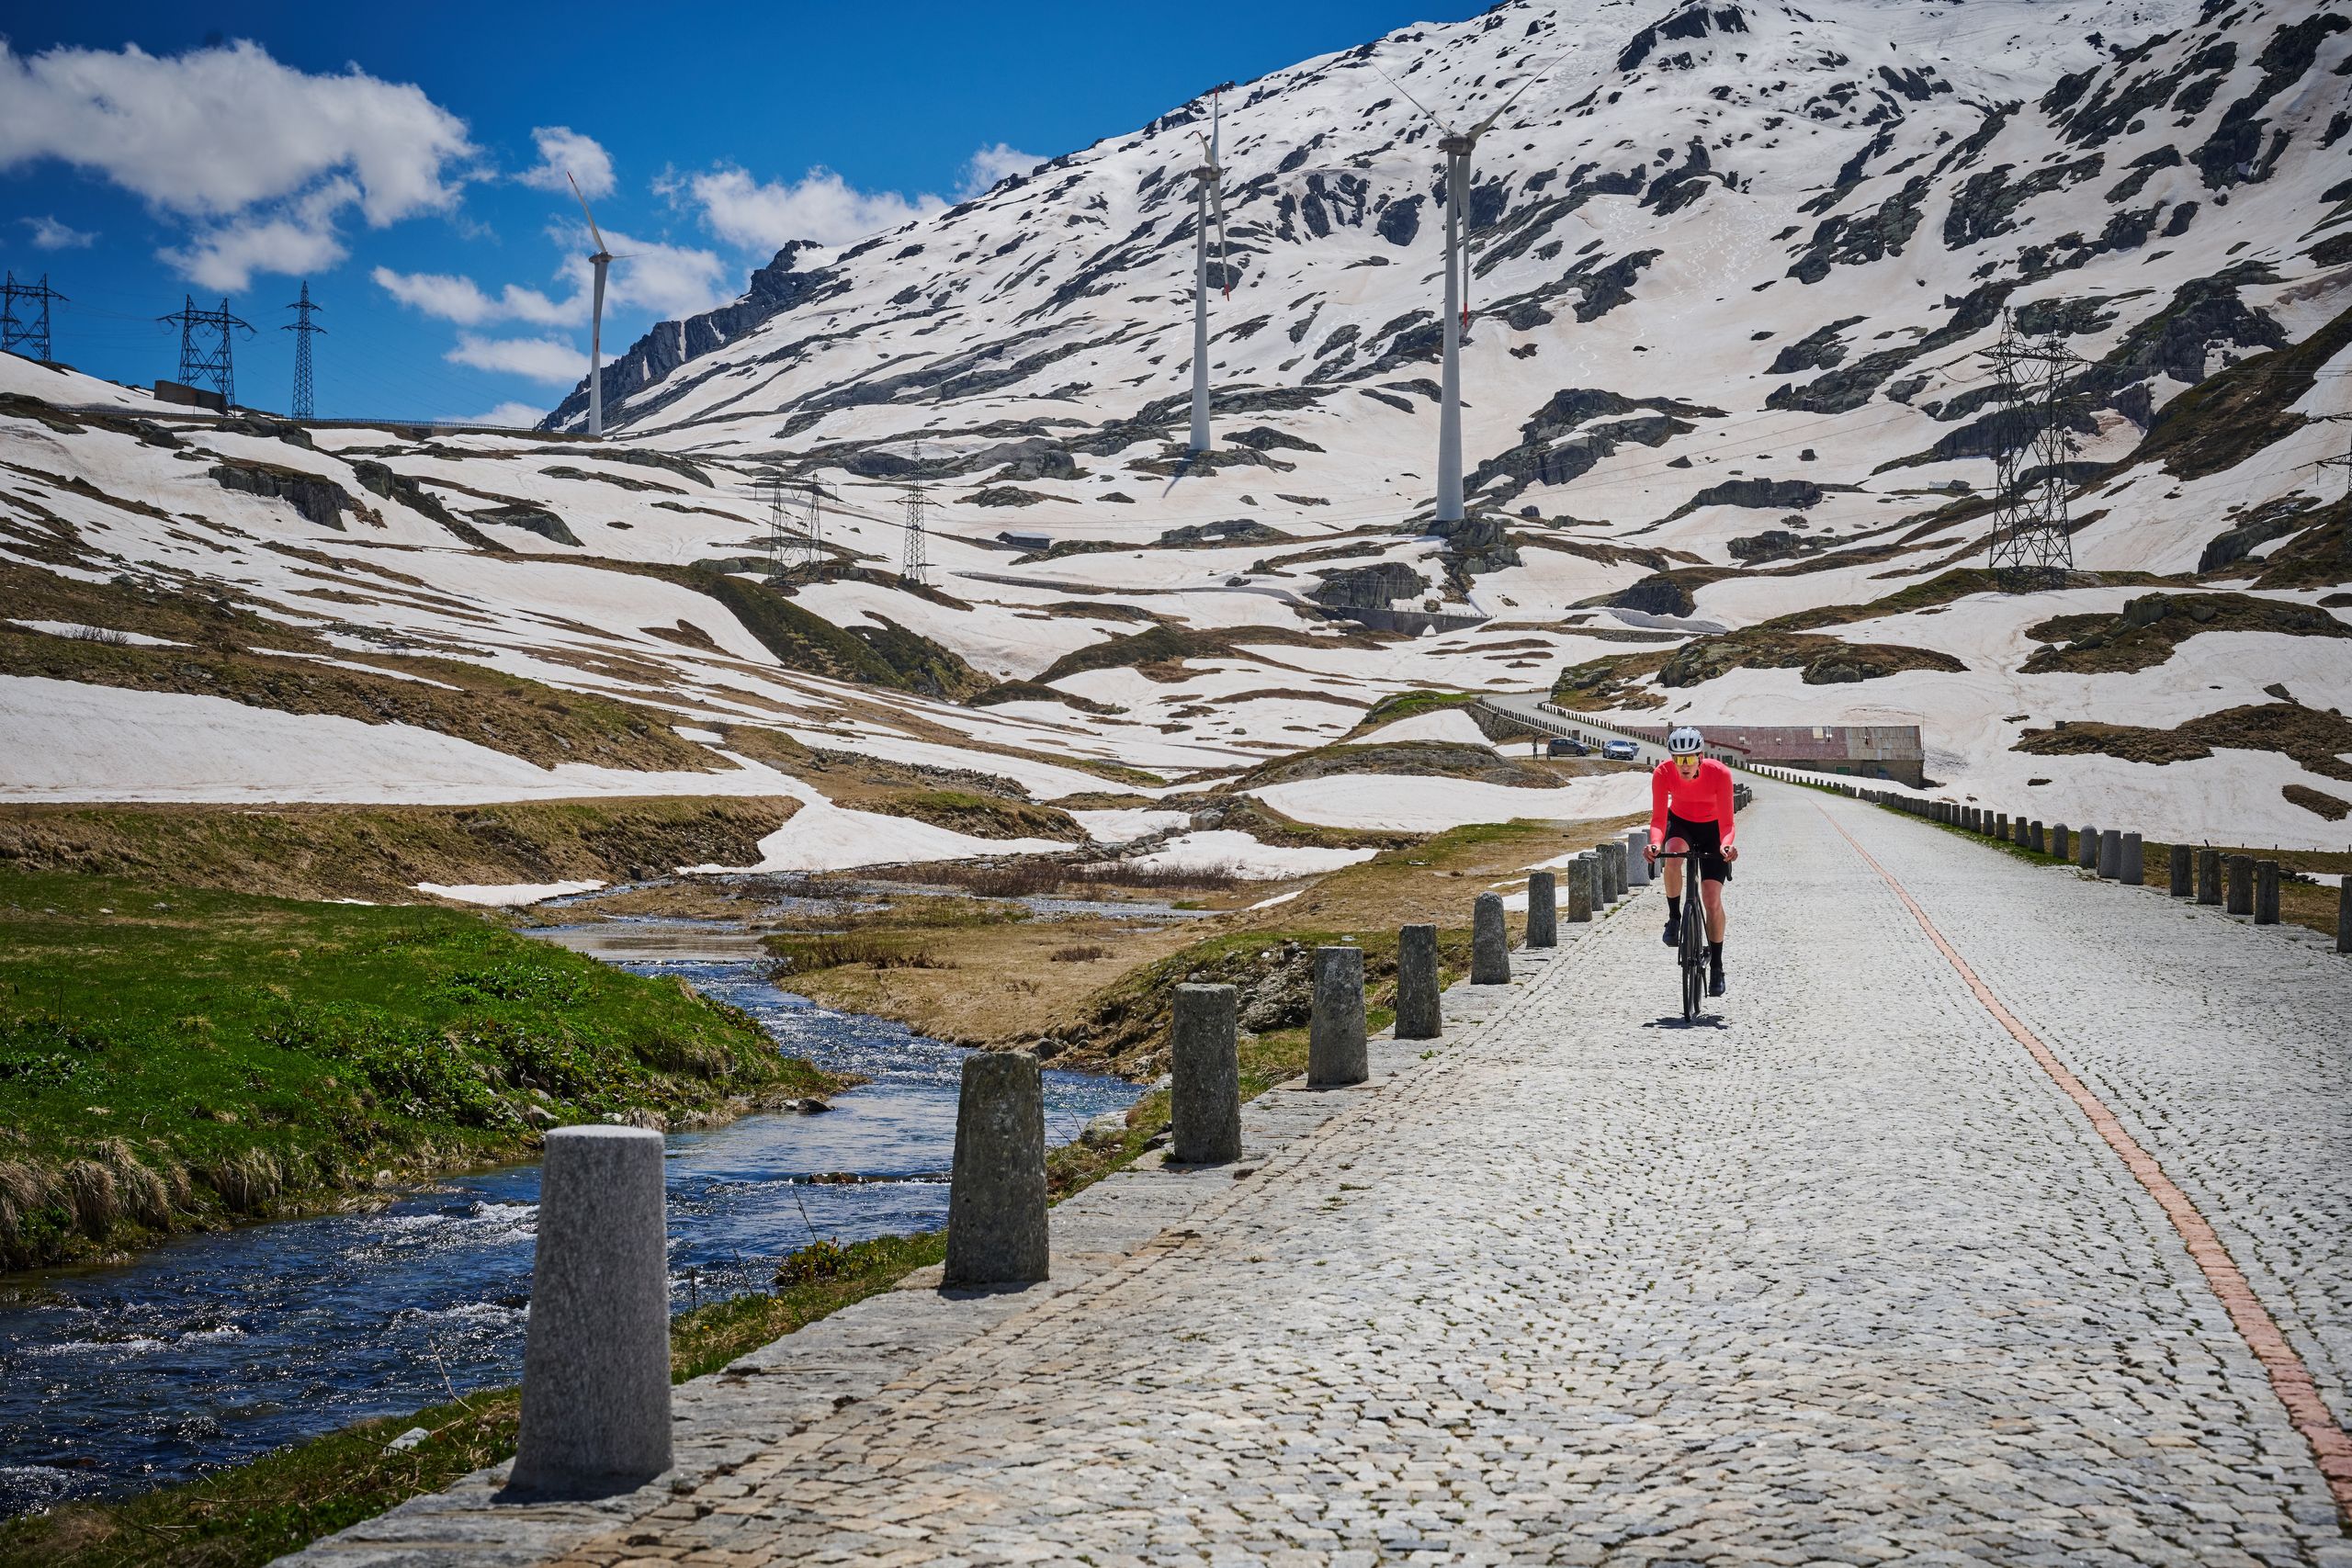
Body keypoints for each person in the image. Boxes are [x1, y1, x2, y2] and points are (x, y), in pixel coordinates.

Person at [1644, 726, 1738, 997]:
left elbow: (1728, 823)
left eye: (1688, 759)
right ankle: (1674, 918)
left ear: (1700, 756)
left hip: (1714, 830)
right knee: (1672, 854)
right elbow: (1659, 820)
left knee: (1711, 899)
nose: (1683, 766)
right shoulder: (1662, 773)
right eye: (1677, 759)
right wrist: (1654, 843)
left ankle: (1717, 966)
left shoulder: (1719, 773)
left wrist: (1726, 845)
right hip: (1682, 824)